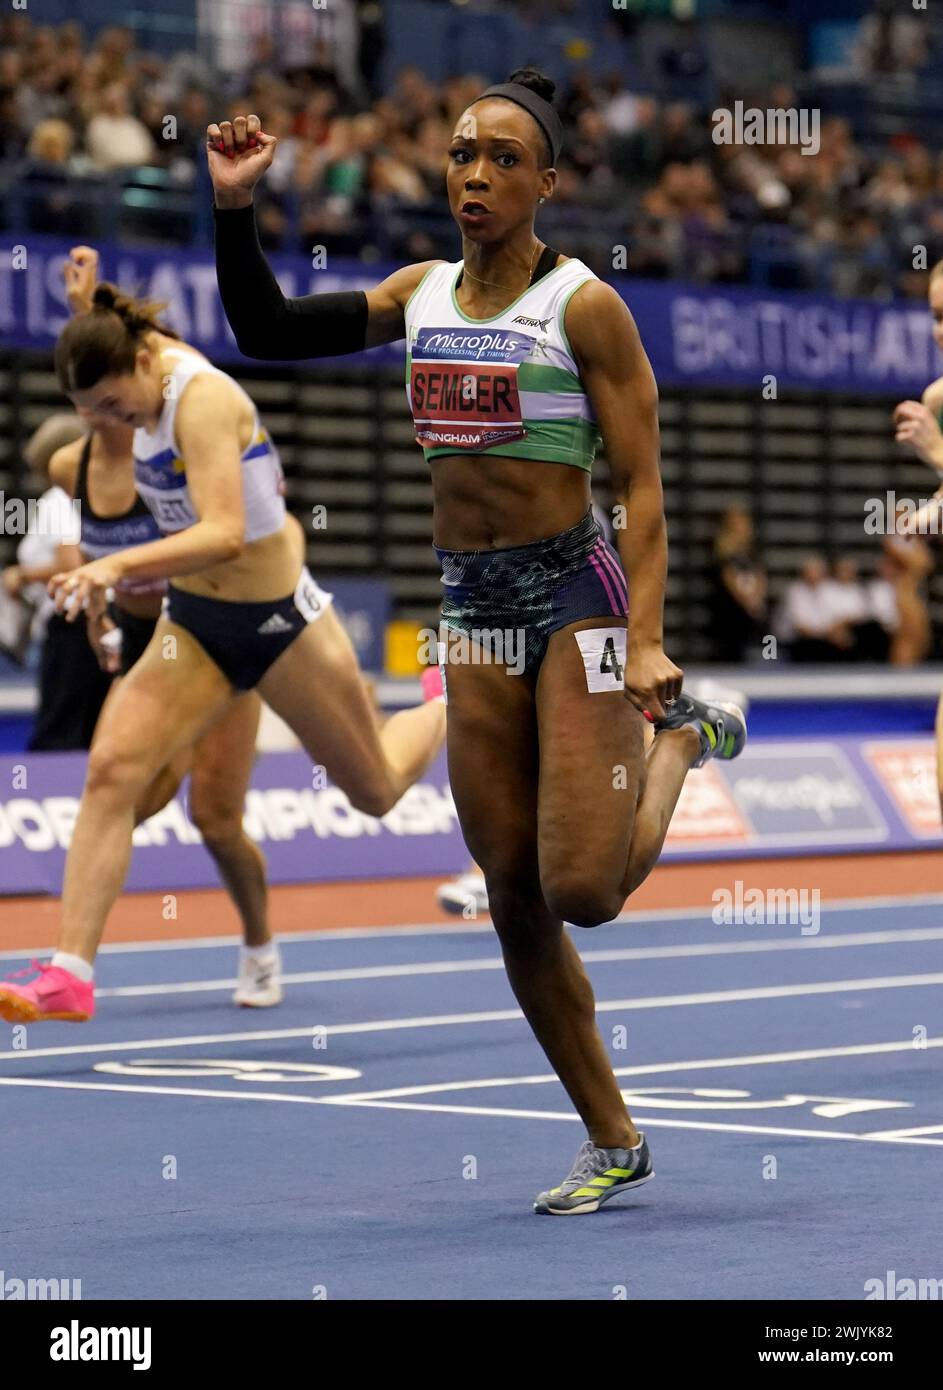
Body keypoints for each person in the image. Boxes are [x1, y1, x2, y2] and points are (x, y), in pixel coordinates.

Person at [206, 69, 747, 1215]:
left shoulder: (583, 307)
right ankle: (612, 1136)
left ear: (545, 183)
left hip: (576, 594)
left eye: (504, 159)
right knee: (512, 894)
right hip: (473, 609)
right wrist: (234, 205)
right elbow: (263, 327)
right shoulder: (418, 295)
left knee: (582, 889)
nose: (477, 175)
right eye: (462, 154)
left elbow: (644, 487)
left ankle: (680, 743)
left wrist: (647, 639)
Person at [0, 269, 445, 1028]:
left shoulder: (203, 400)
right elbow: (117, 340)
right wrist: (84, 310)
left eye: (115, 407)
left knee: (374, 790)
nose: (112, 424)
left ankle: (446, 701)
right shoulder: (135, 366)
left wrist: (110, 566)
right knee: (111, 771)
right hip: (197, 624)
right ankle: (70, 973)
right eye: (94, 412)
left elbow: (225, 533)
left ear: (145, 363)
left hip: (280, 623)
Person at [1, 413, 113, 747]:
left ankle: (46, 779)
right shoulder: (90, 494)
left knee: (59, 729)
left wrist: (22, 575)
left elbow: (72, 563)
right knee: (88, 726)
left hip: (72, 623)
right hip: (88, 618)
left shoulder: (60, 498)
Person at [709, 506, 766, 662]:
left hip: (750, 602)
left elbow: (760, 574)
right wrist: (745, 600)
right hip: (732, 605)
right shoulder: (723, 549)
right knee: (732, 646)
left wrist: (756, 598)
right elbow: (728, 576)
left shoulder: (750, 550)